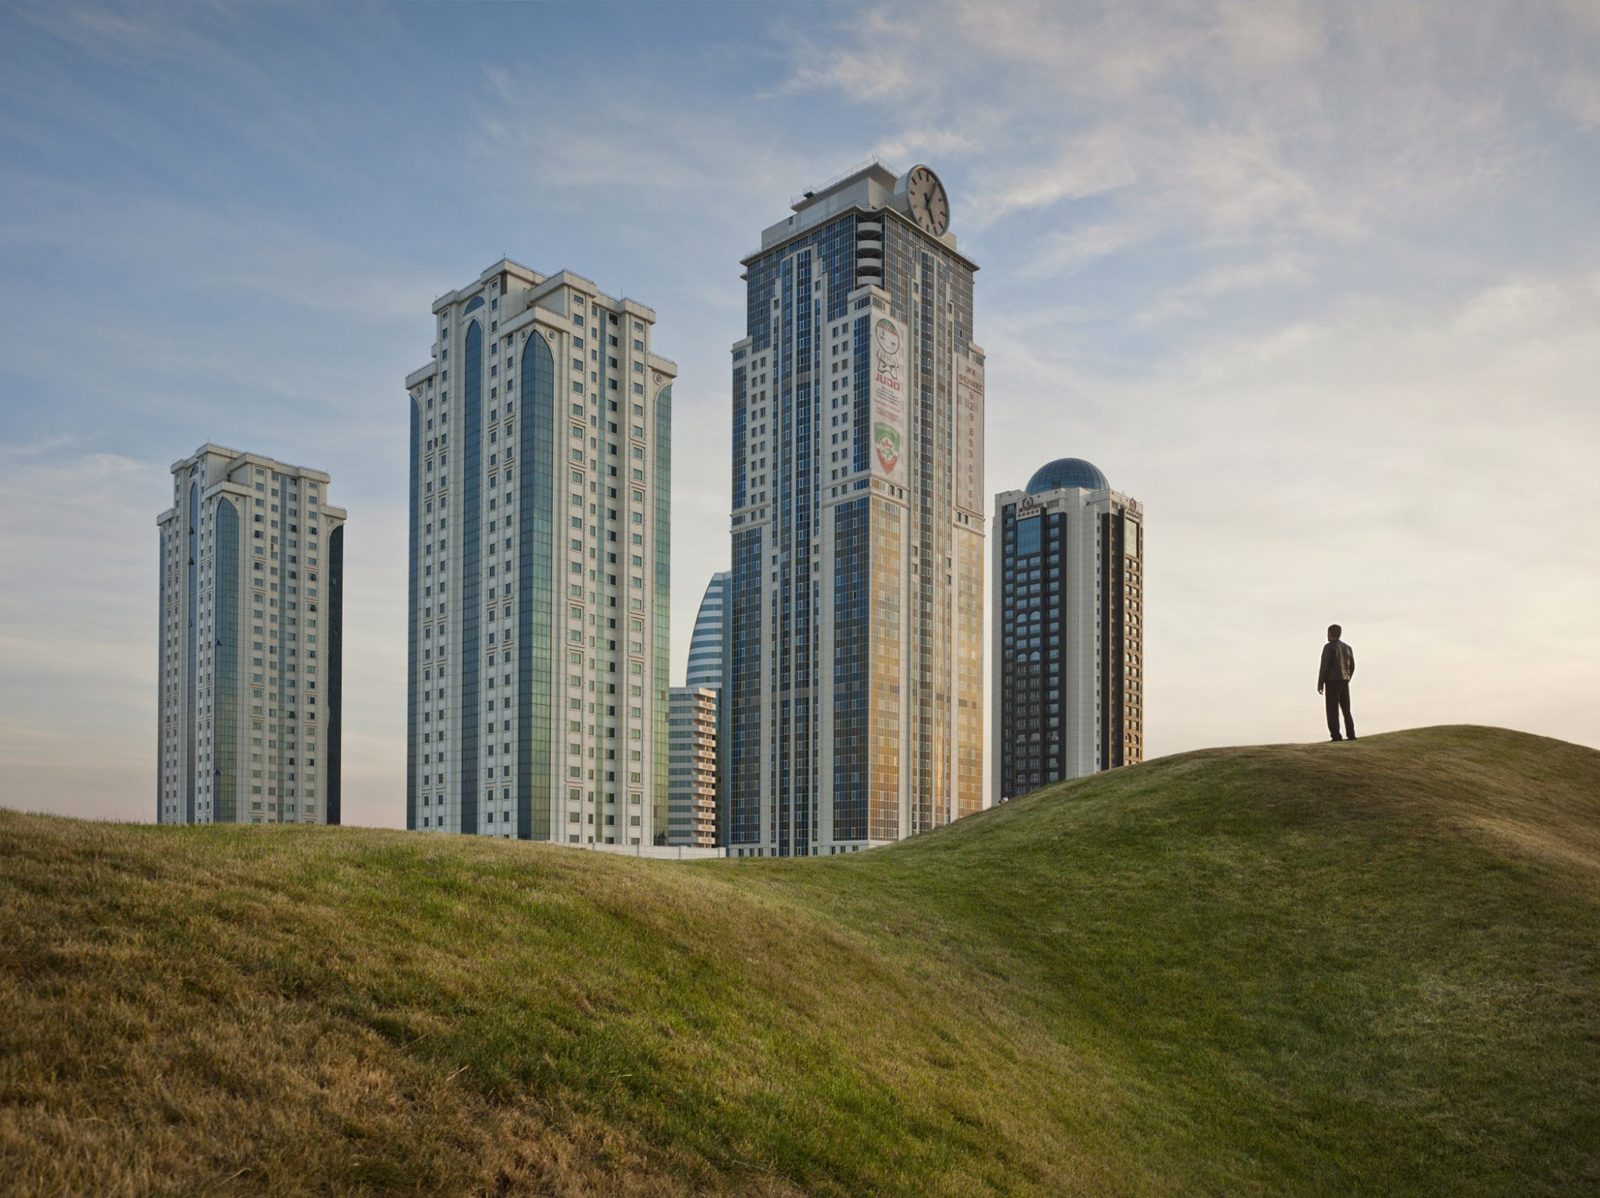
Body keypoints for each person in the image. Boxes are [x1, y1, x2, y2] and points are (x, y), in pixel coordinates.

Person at [1317, 624, 1356, 741]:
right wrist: (1347, 678)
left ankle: (1336, 735)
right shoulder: (1348, 648)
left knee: (1332, 709)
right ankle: (1351, 734)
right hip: (1344, 680)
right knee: (1346, 709)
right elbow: (1352, 666)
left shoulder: (1328, 647)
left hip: (1332, 681)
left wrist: (1320, 683)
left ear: (1330, 633)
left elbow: (1324, 666)